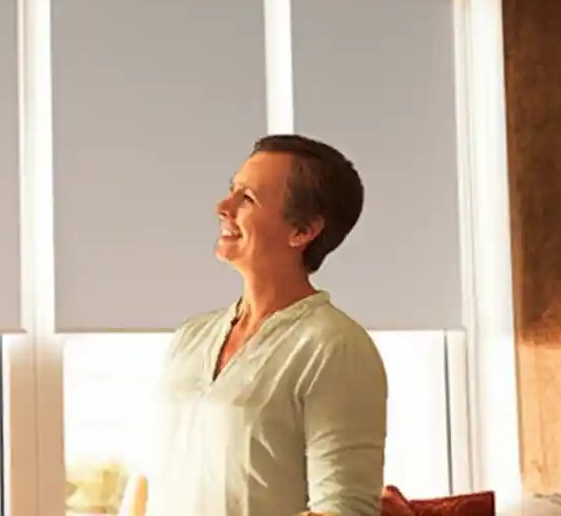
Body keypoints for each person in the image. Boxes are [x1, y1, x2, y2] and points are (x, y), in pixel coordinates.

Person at [147, 134, 387, 516]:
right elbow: (163, 479)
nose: (223, 206)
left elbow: (344, 509)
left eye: (248, 198)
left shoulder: (334, 347)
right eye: (231, 190)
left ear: (303, 231)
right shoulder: (190, 338)